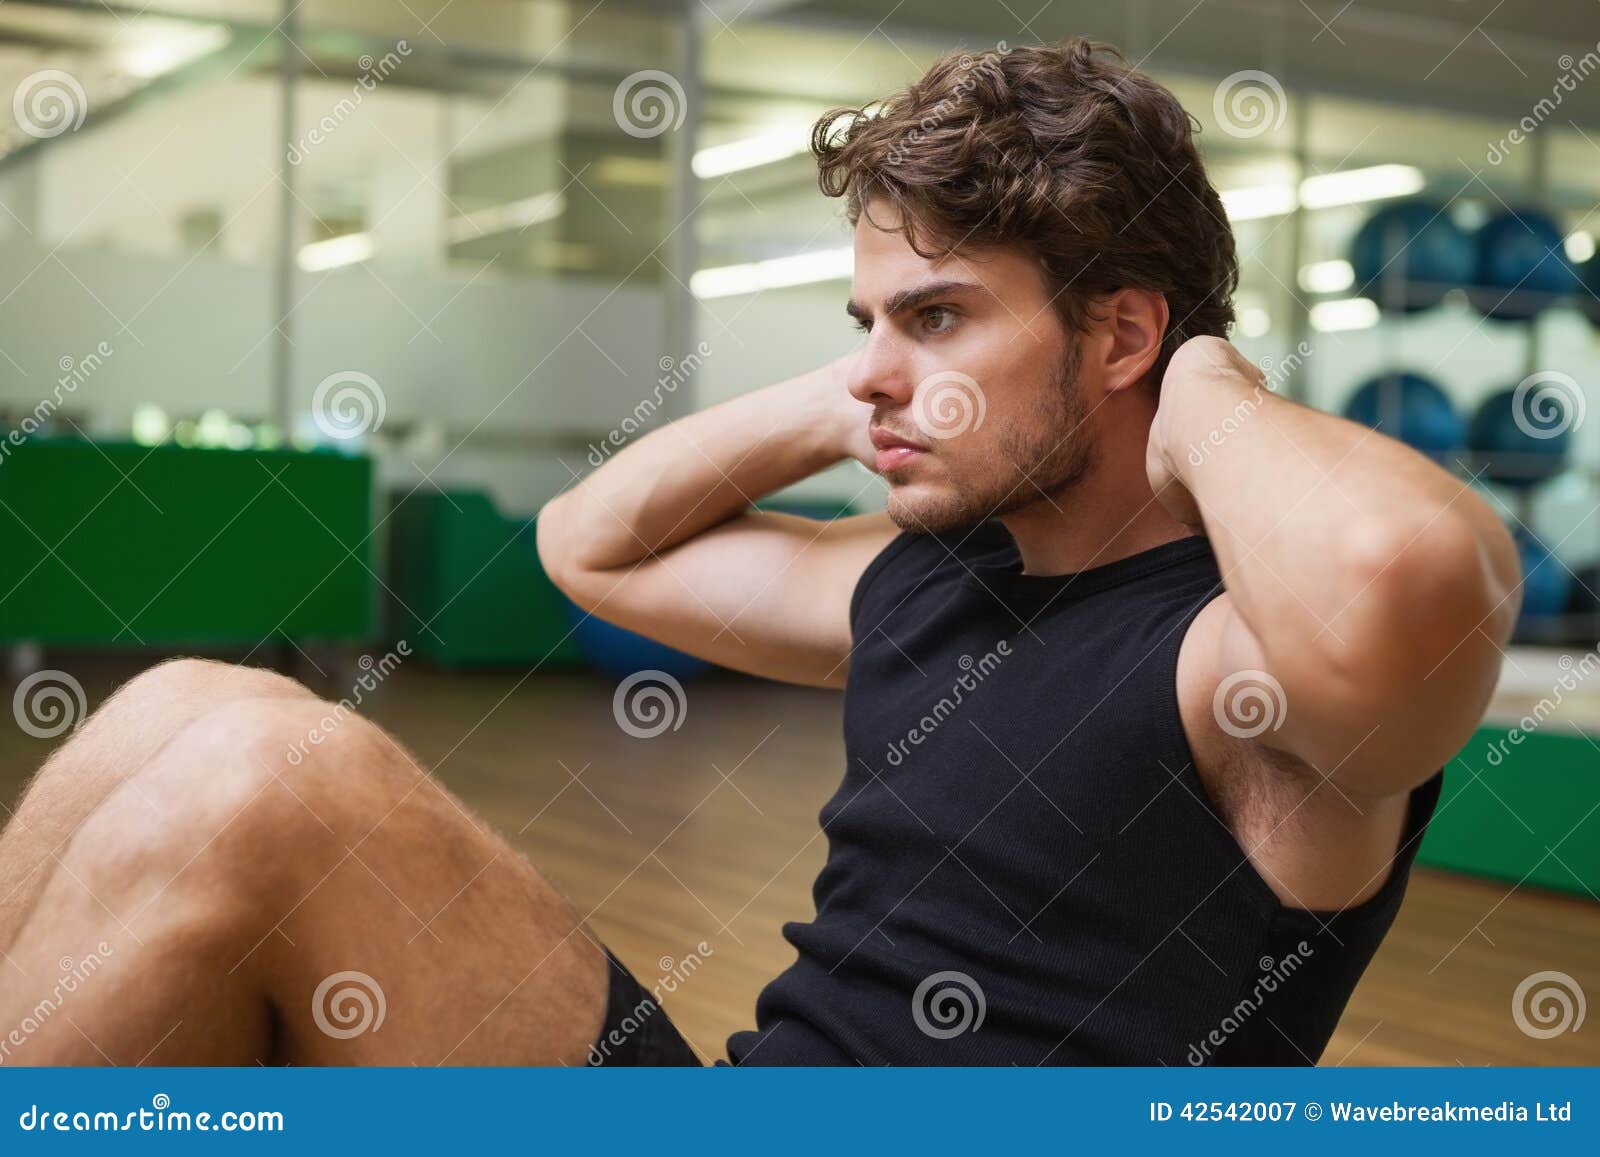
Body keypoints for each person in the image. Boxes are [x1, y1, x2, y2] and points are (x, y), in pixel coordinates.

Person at [0, 38, 1517, 1067]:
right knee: (189, 708)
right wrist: (861, 384)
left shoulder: (1234, 667)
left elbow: (1406, 579)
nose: (874, 363)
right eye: (864, 317)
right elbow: (591, 548)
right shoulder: (917, 581)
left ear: (1121, 331)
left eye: (936, 314)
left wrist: (1202, 388)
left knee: (271, 782)